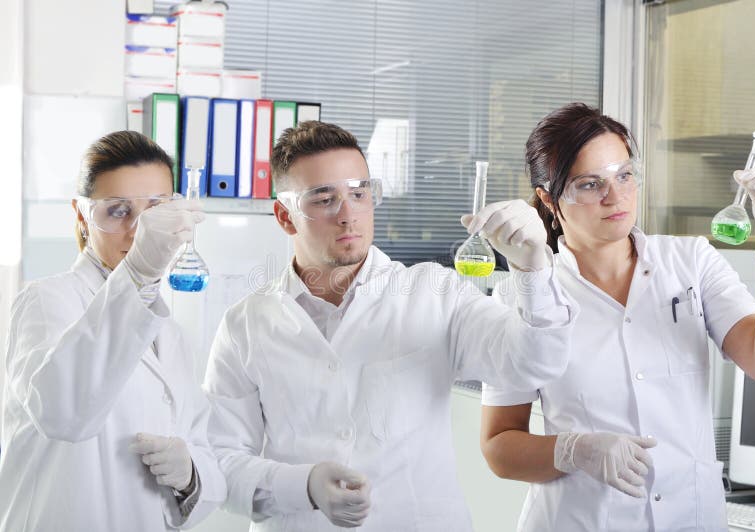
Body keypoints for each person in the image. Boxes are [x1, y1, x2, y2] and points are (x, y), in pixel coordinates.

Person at [203, 120, 578, 531]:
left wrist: (532, 270)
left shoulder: (435, 294)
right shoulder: (245, 324)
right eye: (324, 199)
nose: (348, 215)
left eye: (359, 194)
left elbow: (534, 363)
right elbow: (221, 461)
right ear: (284, 216)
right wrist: (303, 487)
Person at [480, 102, 755, 531]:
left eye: (624, 175)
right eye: (591, 184)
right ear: (548, 197)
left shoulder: (691, 261)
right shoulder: (525, 294)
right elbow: (499, 446)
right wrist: (575, 451)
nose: (616, 197)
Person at [0, 131, 227, 531]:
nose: (140, 231)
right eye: (118, 211)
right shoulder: (46, 302)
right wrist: (138, 273)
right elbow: (63, 414)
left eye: (156, 211)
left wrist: (190, 475)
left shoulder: (169, 332)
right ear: (82, 214)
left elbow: (206, 456)